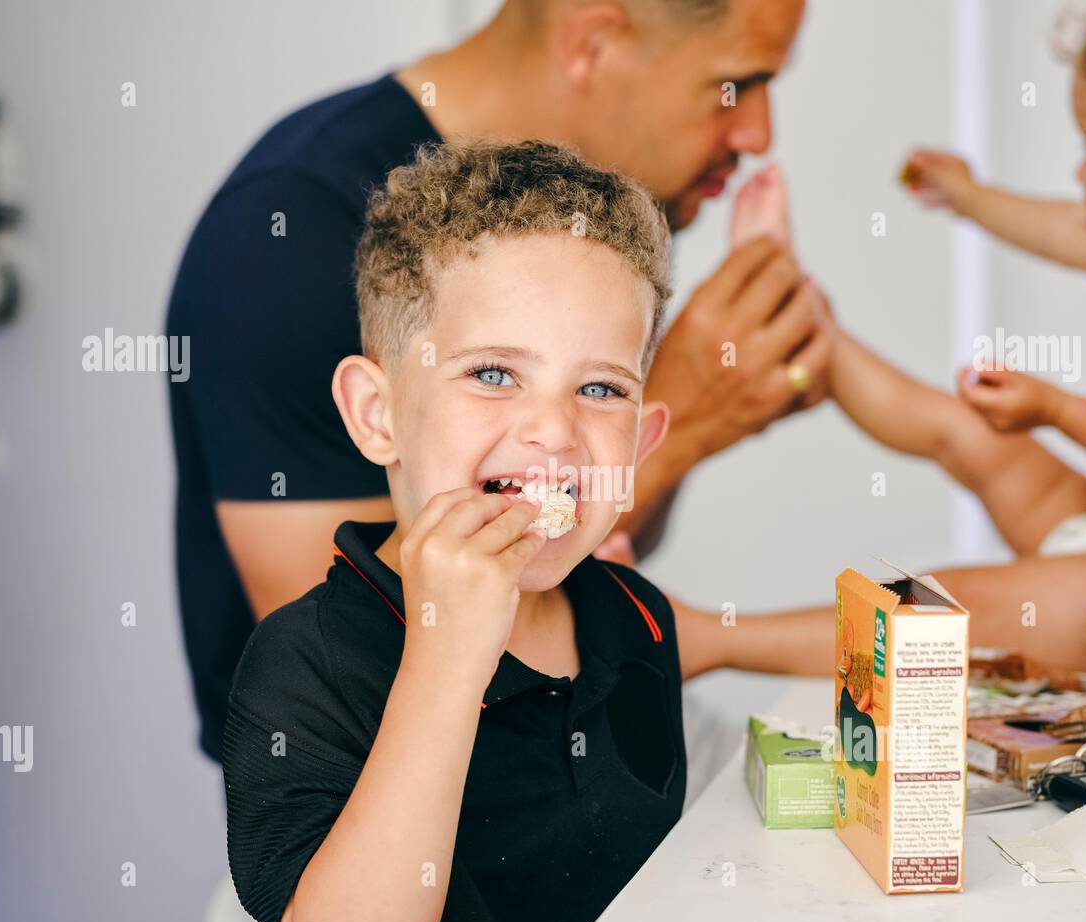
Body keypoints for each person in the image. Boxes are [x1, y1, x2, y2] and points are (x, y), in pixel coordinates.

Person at [167, 0, 824, 763]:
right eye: (735, 84)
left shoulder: (591, 244)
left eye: (602, 390)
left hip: (573, 736)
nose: (758, 134)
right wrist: (688, 418)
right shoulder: (289, 233)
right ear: (594, 41)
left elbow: (578, 555)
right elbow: (355, 671)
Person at [224, 140, 719, 922]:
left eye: (601, 389)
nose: (555, 430)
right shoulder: (306, 666)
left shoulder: (635, 621)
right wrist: (449, 651)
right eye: (494, 373)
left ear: (641, 443)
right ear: (377, 415)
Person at [668, 0, 1086, 674]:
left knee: (961, 604)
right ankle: (803, 323)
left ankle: (712, 640)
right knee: (962, 430)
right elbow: (1062, 228)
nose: (1080, 176)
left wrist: (1059, 411)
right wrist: (970, 197)